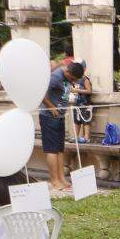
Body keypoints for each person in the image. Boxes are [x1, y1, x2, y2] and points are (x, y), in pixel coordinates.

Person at [41, 59, 82, 191]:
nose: (73, 81)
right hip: (48, 117)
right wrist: (51, 107)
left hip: (60, 117)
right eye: (72, 78)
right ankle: (54, 180)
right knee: (52, 150)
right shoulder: (55, 77)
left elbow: (67, 95)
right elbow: (41, 93)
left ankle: (61, 178)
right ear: (68, 72)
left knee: (59, 149)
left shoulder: (68, 78)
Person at [70, 71, 94, 143]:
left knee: (86, 121)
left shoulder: (85, 79)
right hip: (77, 102)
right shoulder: (75, 79)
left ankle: (86, 137)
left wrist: (78, 90)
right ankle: (76, 136)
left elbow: (89, 91)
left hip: (85, 103)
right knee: (77, 121)